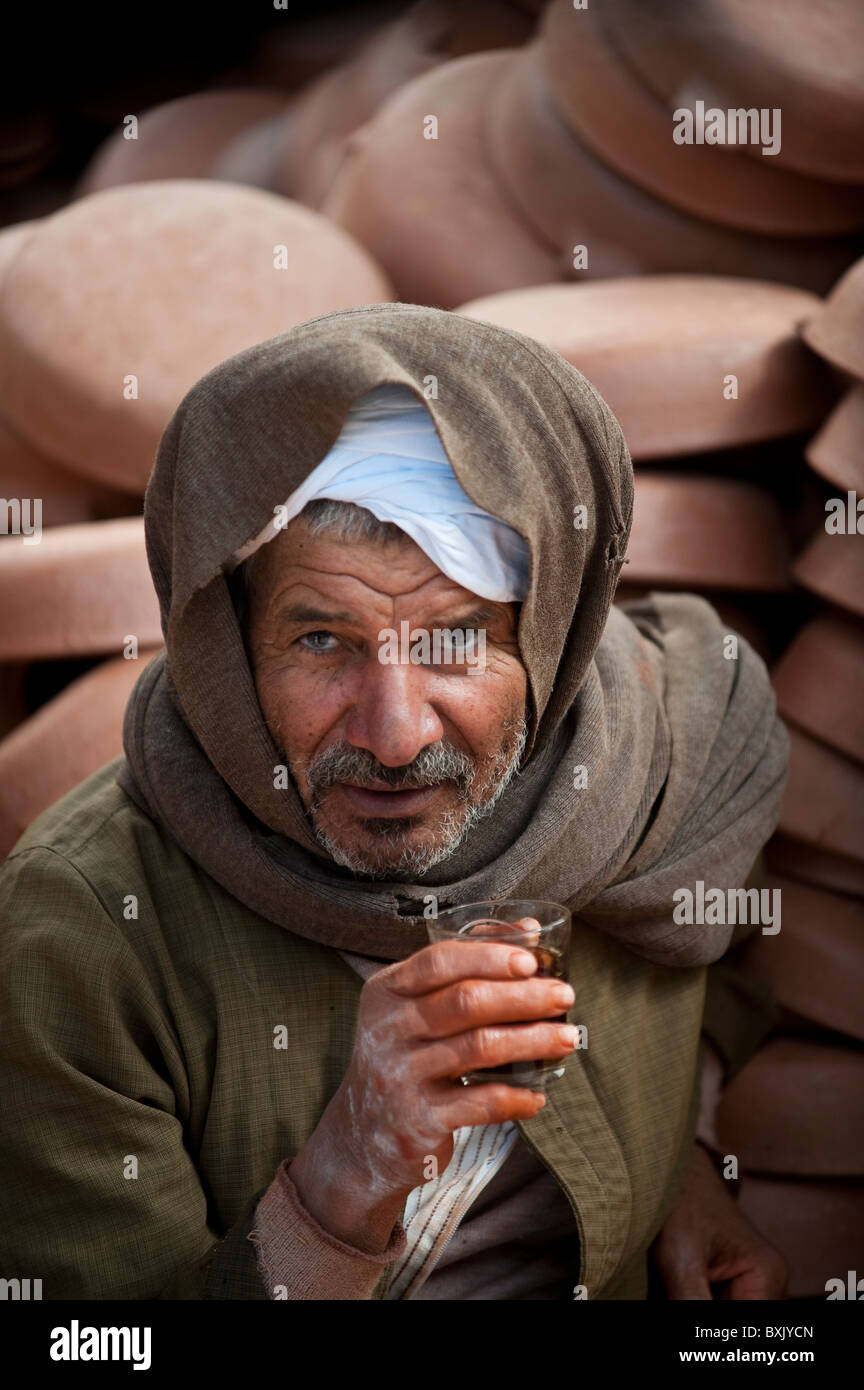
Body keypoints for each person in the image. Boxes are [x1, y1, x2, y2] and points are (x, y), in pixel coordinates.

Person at [0, 303, 788, 1299]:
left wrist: (682, 1160)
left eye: (458, 639)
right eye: (321, 640)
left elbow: (723, 940)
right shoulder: (83, 931)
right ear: (227, 650)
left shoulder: (659, 771)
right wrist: (343, 1179)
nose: (395, 733)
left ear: (549, 638)